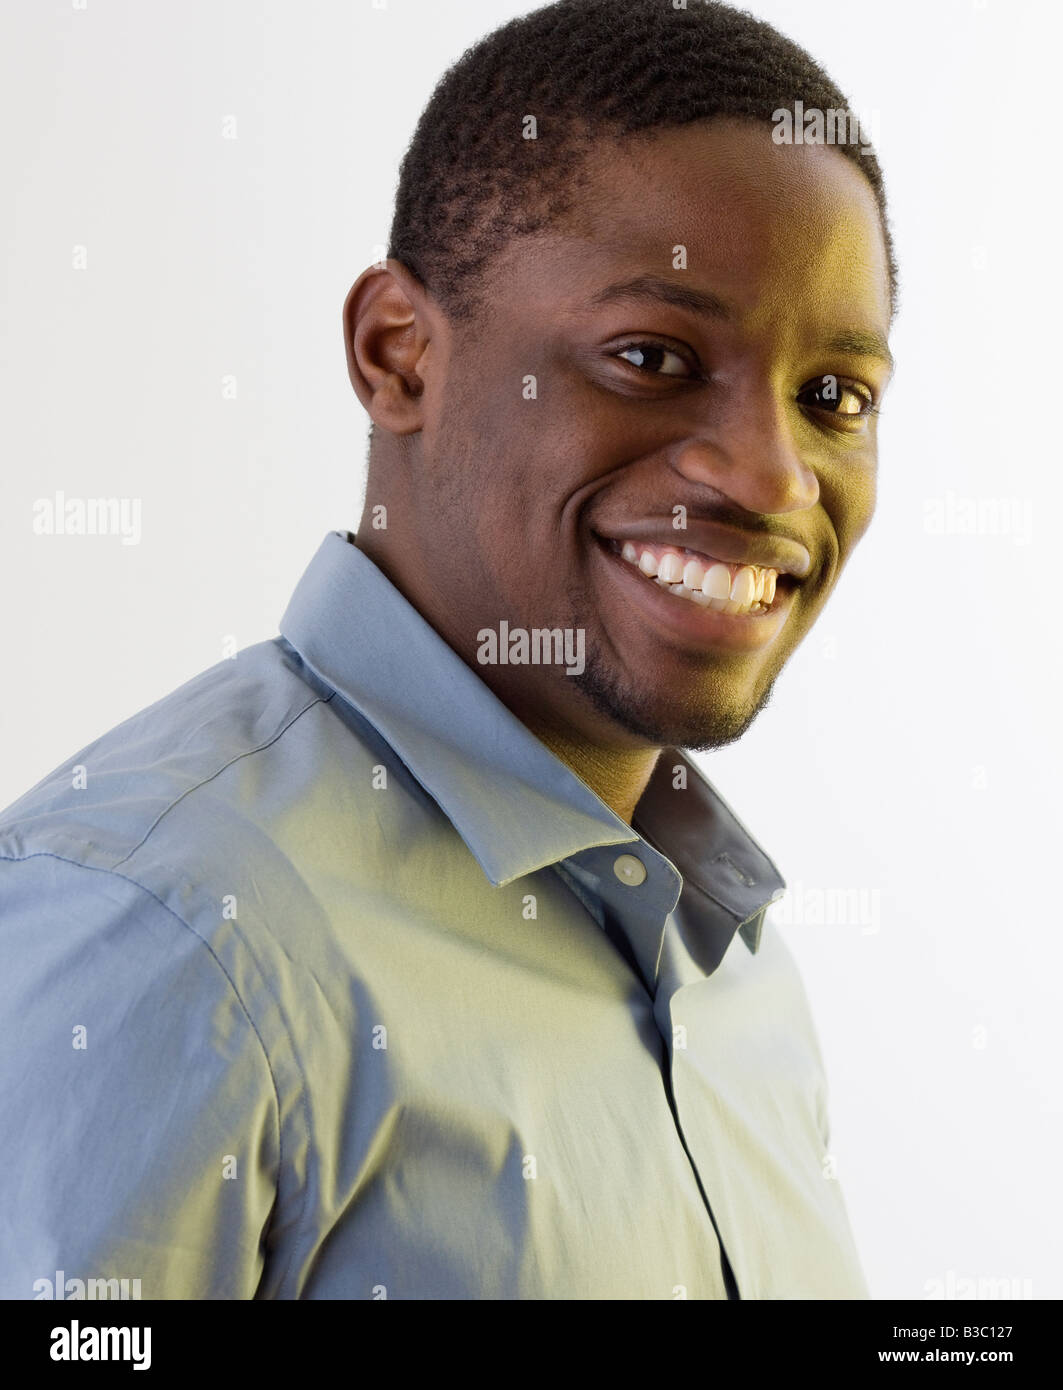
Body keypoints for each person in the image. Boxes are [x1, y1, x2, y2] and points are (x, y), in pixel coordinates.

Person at [0, 0, 895, 1299]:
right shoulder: (160, 935)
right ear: (399, 355)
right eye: (652, 356)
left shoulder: (737, 971)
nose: (770, 475)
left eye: (834, 398)